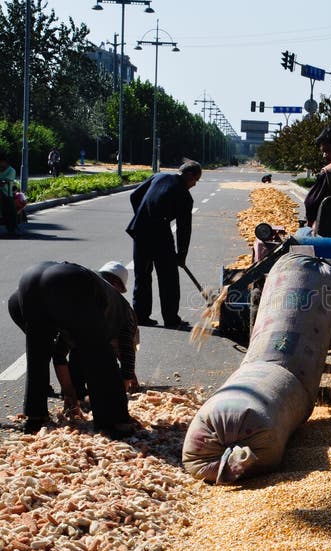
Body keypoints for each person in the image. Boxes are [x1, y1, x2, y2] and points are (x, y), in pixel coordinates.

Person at [8, 261, 136, 437]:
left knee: (38, 351)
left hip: (30, 278)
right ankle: (113, 422)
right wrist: (123, 389)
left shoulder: (81, 319)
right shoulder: (126, 318)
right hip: (68, 281)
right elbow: (127, 363)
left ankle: (35, 417)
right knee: (99, 353)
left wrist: (69, 392)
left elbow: (59, 355)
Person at [126, 161, 202, 330]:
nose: (195, 184)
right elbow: (184, 229)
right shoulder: (184, 195)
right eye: (195, 180)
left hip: (139, 229)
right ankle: (171, 319)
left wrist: (143, 215)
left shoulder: (159, 176)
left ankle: (140, 315)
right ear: (189, 175)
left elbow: (134, 196)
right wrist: (181, 254)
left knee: (142, 274)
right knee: (169, 278)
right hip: (159, 233)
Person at [63, 261, 140, 403]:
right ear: (116, 282)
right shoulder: (121, 307)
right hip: (91, 341)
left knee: (78, 347)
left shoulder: (86, 284)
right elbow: (126, 346)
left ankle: (77, 393)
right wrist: (127, 377)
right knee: (97, 352)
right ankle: (99, 399)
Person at [0, 153, 18, 234]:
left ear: (5, 162)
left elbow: (5, 182)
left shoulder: (11, 170)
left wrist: (2, 182)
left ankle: (12, 228)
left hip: (6, 193)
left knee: (10, 211)